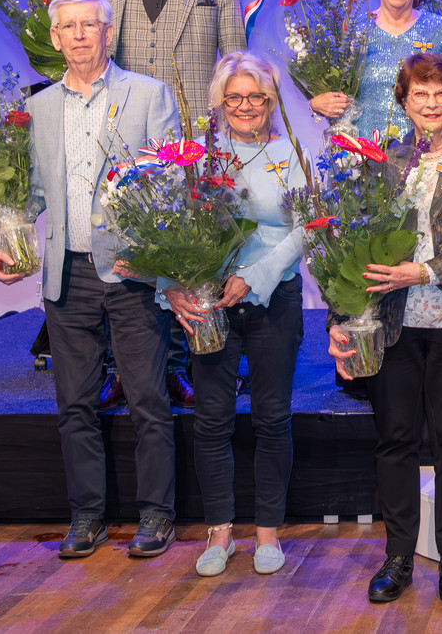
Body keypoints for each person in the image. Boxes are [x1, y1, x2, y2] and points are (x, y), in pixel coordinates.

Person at [0, 0, 180, 560]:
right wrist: (0, 241)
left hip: (130, 271)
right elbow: (32, 192)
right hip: (66, 275)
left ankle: (156, 515)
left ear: (107, 31)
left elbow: (168, 183)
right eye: (66, 27)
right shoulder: (41, 107)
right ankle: (86, 517)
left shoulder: (149, 96)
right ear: (53, 38)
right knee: (74, 403)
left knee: (147, 399)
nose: (77, 36)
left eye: (88, 25)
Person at [328, 53, 442, 606]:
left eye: (440, 95)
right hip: (393, 321)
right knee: (395, 441)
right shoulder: (383, 159)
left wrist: (428, 271)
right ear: (403, 102)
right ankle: (399, 555)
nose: (430, 105)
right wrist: (346, 318)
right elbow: (355, 238)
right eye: (419, 96)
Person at [101, 0, 246, 408]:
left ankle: (179, 368)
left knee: (187, 253)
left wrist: (227, 139)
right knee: (126, 251)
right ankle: (123, 368)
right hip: (122, 139)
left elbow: (234, 61)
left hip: (191, 142)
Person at [161, 51, 306, 577]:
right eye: (235, 97)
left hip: (274, 301)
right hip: (209, 304)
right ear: (219, 103)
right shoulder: (195, 159)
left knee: (272, 418)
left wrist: (257, 275)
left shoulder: (292, 153)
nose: (246, 106)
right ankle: (219, 532)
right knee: (211, 420)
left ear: (272, 101)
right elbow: (167, 228)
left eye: (257, 97)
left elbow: (306, 228)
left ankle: (268, 534)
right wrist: (172, 288)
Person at [309, 0, 442, 141]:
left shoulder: (437, 28)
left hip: (423, 154)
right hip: (364, 157)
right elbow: (338, 95)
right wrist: (316, 103)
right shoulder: (355, 31)